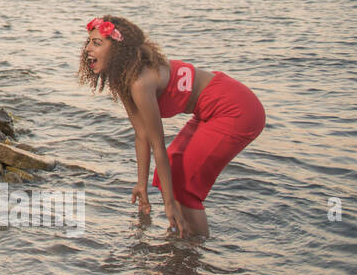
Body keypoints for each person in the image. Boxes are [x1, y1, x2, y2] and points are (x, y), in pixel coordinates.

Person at [79, 15, 266, 238]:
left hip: (236, 109)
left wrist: (168, 203)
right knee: (173, 172)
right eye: (89, 41)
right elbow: (141, 135)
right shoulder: (123, 78)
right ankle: (182, 240)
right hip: (209, 110)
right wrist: (141, 185)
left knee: (182, 185)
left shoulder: (140, 82)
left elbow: (158, 145)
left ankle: (196, 248)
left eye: (97, 43)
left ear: (119, 49)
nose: (88, 49)